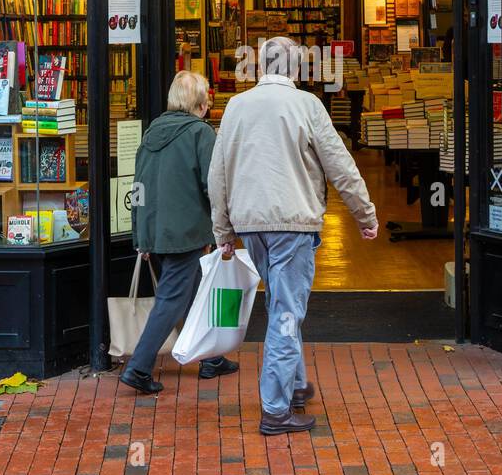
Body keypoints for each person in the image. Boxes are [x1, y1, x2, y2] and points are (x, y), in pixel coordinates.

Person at [209, 37, 379, 436]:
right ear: (297, 69)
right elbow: (340, 165)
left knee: (284, 305)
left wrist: (223, 230)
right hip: (292, 224)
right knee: (287, 311)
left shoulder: (236, 106)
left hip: (252, 223)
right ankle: (275, 409)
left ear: (260, 66)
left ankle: (296, 386)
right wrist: (364, 213)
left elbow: (217, 174)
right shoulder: (307, 105)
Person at [122, 71, 237, 394]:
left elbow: (139, 187)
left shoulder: (151, 133)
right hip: (186, 231)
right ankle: (139, 366)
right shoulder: (201, 134)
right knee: (172, 298)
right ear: (200, 104)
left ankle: (211, 357)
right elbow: (213, 185)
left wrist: (141, 235)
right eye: (207, 102)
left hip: (157, 229)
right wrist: (224, 228)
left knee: (197, 292)